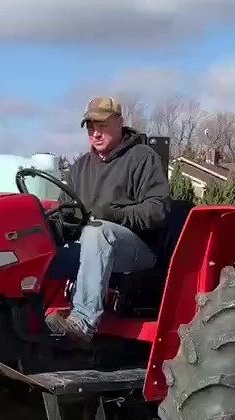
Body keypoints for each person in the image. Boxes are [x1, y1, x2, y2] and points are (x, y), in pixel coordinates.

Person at [45, 96, 170, 344]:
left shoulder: (142, 158)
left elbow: (158, 210)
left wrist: (114, 214)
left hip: (138, 250)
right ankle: (21, 321)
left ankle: (83, 321)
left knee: (96, 232)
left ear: (120, 123)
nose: (95, 133)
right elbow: (66, 213)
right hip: (91, 247)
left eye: (102, 125)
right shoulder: (80, 167)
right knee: (37, 249)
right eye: (91, 127)